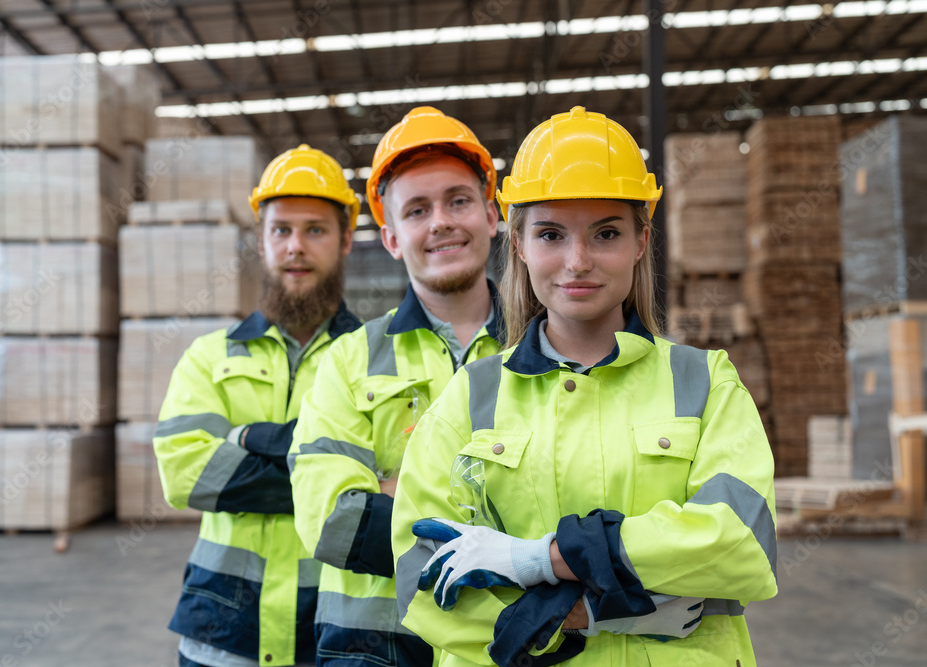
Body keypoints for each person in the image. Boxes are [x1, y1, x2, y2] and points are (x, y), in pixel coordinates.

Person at [391, 107, 778, 667]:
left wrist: (541, 559)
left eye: (606, 233)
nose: (578, 262)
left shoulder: (704, 382)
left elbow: (740, 543)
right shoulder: (470, 397)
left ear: (642, 240)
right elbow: (420, 577)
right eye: (551, 234)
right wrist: (597, 615)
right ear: (519, 244)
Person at [288, 106, 504, 667]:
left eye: (458, 200)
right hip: (372, 647)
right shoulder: (348, 360)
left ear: (492, 211)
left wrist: (393, 488)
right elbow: (332, 520)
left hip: (514, 644)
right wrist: (508, 538)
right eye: (417, 210)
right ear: (389, 236)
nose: (440, 222)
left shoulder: (550, 351)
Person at [153, 144, 362, 667]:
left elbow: (395, 481)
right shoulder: (210, 355)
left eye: (315, 229)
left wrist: (243, 442)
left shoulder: (375, 359)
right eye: (281, 230)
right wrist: (329, 476)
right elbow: (184, 472)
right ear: (262, 241)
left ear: (345, 242)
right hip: (224, 631)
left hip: (336, 630)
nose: (296, 246)